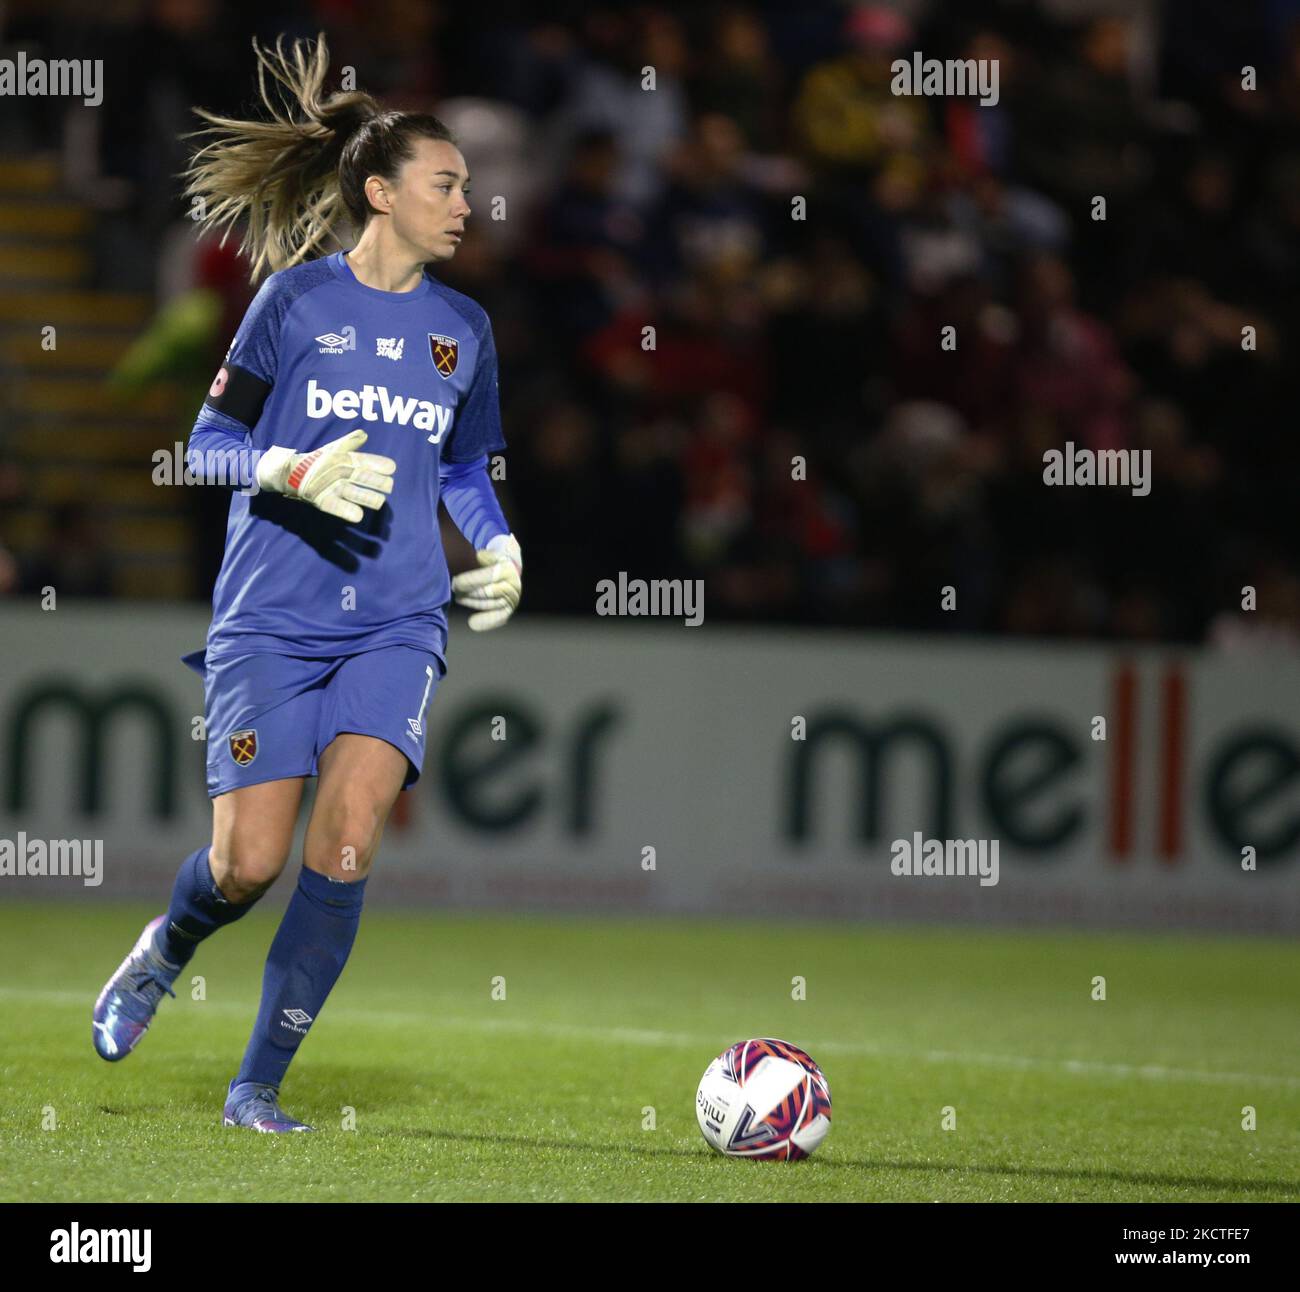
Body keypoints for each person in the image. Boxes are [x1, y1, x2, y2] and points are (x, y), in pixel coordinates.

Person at [91, 33, 522, 1132]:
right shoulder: (292, 301)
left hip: (397, 619)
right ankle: (169, 943)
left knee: (345, 839)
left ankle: (256, 1088)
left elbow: (465, 468)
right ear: (379, 192)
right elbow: (206, 444)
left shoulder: (464, 330)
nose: (467, 202)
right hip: (272, 618)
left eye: (467, 185)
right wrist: (287, 467)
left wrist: (497, 540)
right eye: (445, 183)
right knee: (248, 863)